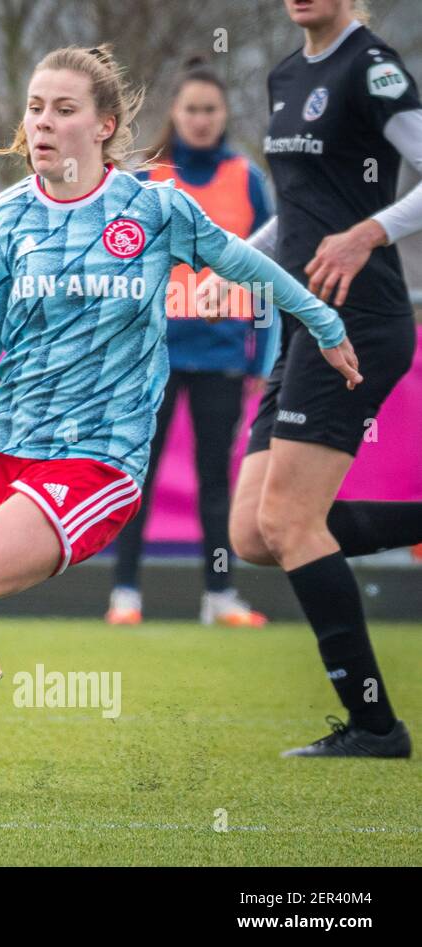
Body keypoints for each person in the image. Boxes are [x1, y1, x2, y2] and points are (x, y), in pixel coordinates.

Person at [0, 43, 360, 800]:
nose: (43, 124)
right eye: (34, 108)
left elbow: (250, 265)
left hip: (94, 461)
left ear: (104, 126)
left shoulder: (154, 207)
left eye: (64, 110)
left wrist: (322, 324)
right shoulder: (6, 213)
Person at [197, 0, 422, 757]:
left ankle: (374, 727)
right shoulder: (287, 74)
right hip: (303, 323)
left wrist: (369, 233)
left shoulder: (372, 67)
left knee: (291, 523)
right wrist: (223, 259)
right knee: (254, 532)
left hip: (360, 322)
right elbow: (296, 218)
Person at [107, 56, 276, 628]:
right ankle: (125, 593)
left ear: (224, 115)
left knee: (214, 481)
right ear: (174, 115)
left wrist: (264, 352)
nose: (200, 120)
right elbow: (113, 262)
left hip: (223, 356)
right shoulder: (146, 179)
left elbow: (270, 268)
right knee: (137, 474)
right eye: (190, 109)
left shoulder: (246, 178)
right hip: (150, 357)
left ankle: (219, 596)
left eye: (210, 110)